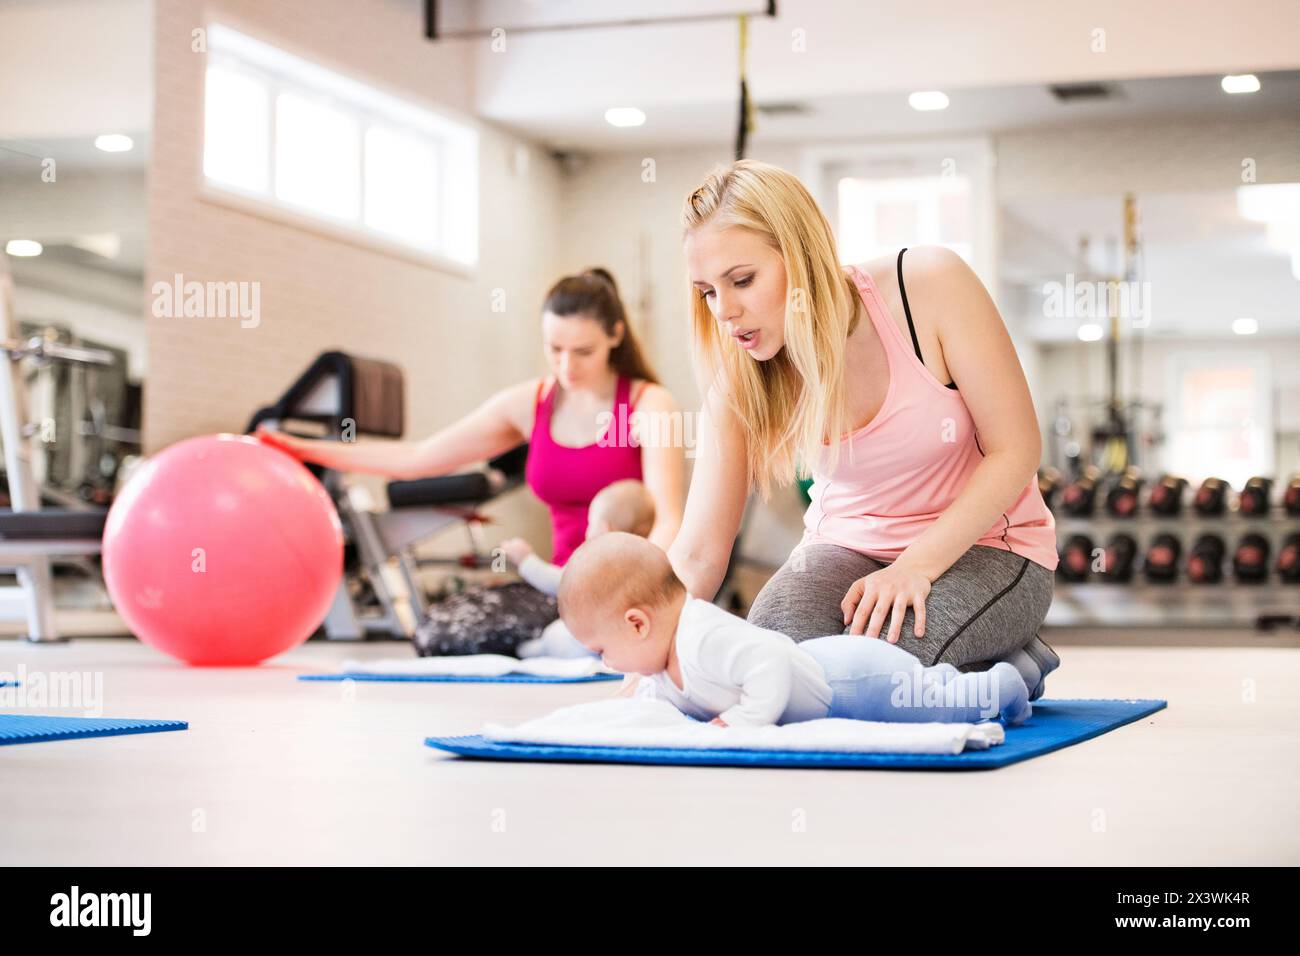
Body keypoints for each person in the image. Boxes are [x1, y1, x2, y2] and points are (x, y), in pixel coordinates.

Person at [665, 160, 1059, 699]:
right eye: (707, 291)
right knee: (769, 668)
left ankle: (1013, 665)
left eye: (743, 280)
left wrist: (914, 568)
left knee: (867, 674)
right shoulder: (742, 377)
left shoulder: (929, 287)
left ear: (802, 253)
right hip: (847, 548)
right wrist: (651, 664)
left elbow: (1017, 450)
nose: (726, 311)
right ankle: (973, 667)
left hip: (990, 547)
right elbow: (700, 553)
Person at [259, 269, 685, 655]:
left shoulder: (650, 404)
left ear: (615, 335)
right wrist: (301, 448)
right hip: (555, 584)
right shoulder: (531, 402)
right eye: (555, 349)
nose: (567, 366)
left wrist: (636, 597)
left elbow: (669, 521)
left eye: (583, 351)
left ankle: (583, 642)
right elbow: (419, 458)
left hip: (629, 591)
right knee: (438, 634)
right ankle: (559, 646)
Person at [560, 533, 1031, 727]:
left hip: (850, 678)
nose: (605, 663)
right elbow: (655, 713)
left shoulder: (699, 635)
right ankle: (1026, 665)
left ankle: (1005, 684)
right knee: (936, 687)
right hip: (829, 683)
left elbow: (771, 664)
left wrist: (742, 722)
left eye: (602, 650)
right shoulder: (660, 669)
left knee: (938, 704)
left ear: (637, 623)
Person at [501, 478, 654, 658]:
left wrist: (526, 560)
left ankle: (527, 652)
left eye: (590, 523)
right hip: (623, 639)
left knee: (553, 634)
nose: (588, 530)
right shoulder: (645, 561)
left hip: (584, 644)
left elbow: (561, 583)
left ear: (605, 529)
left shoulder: (600, 562)